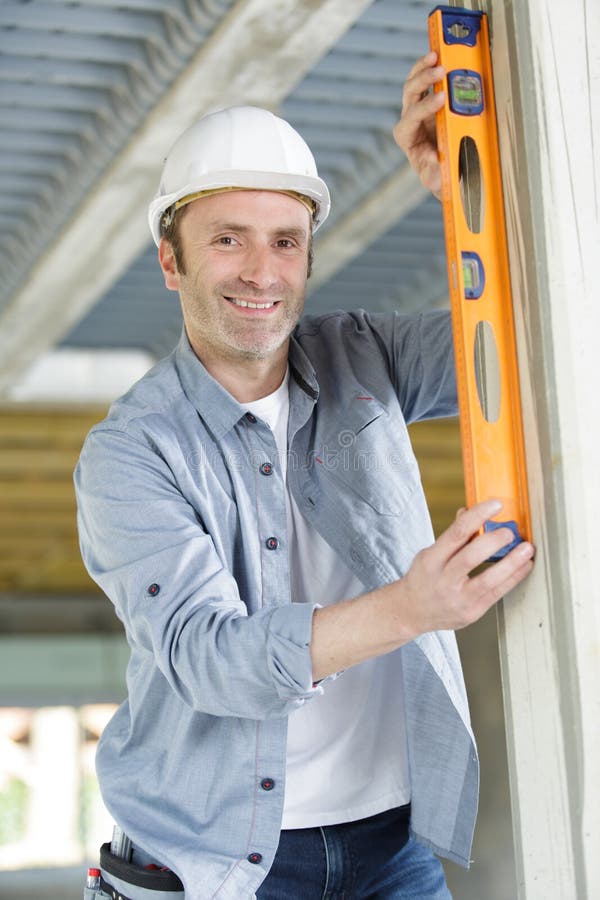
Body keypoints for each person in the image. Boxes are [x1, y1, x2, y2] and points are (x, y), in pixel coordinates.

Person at [75, 53, 534, 900]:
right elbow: (211, 659)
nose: (262, 271)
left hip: (391, 847)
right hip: (215, 862)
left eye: (285, 241)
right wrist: (413, 609)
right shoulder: (132, 453)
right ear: (171, 261)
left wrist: (463, 198)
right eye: (227, 240)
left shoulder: (366, 355)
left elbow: (526, 339)